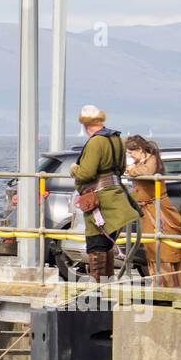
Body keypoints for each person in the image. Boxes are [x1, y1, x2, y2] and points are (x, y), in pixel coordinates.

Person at [70, 105, 140, 281]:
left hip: (99, 199)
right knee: (107, 245)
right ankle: (105, 288)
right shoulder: (117, 139)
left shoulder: (96, 142)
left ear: (86, 124)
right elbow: (122, 168)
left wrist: (74, 169)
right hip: (116, 196)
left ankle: (97, 288)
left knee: (96, 246)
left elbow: (87, 173)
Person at [124, 135, 181, 289]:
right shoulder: (140, 162)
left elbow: (147, 172)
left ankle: (170, 285)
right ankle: (161, 283)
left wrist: (131, 170)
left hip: (158, 211)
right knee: (153, 248)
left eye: (131, 152)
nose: (130, 156)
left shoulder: (151, 160)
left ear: (140, 150)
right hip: (147, 210)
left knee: (165, 249)